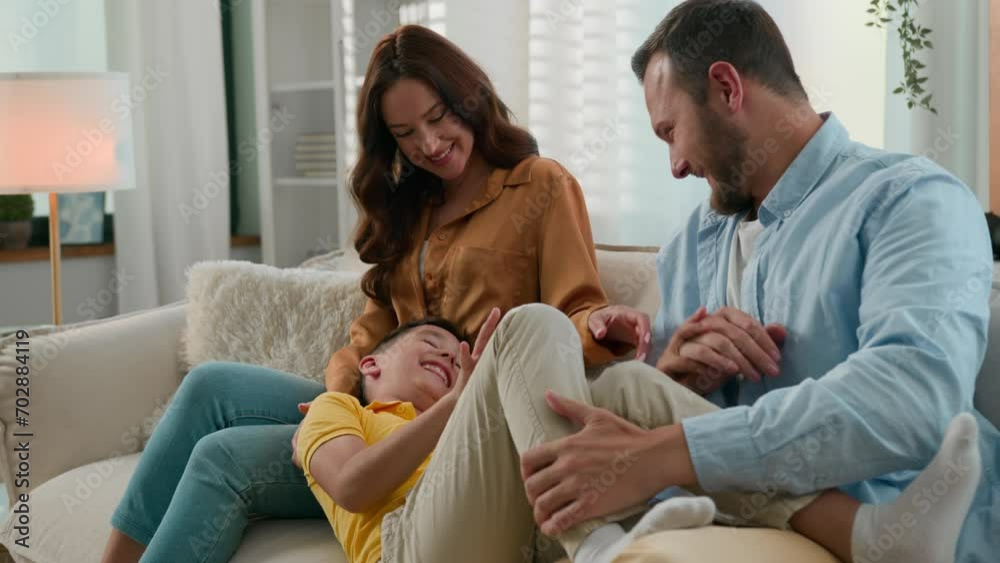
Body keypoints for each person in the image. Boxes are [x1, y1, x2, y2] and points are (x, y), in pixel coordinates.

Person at [100, 25, 649, 563]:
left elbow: (571, 311)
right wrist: (337, 400)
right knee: (209, 385)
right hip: (376, 404)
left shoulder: (540, 186)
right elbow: (373, 330)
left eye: (438, 118)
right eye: (406, 134)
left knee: (222, 459)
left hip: (455, 427)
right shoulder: (409, 204)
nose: (429, 144)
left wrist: (604, 328)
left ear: (470, 100)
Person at [512, 2, 998, 563]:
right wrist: (674, 378)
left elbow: (916, 398)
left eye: (671, 131)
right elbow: (645, 423)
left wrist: (676, 451)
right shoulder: (691, 243)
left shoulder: (907, 199)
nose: (674, 165)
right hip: (723, 524)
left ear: (726, 88)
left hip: (904, 517)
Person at [300, 303, 980, 563]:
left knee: (623, 386)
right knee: (531, 323)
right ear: (371, 363)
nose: (449, 354)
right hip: (411, 549)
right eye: (429, 342)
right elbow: (355, 486)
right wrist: (467, 394)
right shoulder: (337, 410)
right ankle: (600, 547)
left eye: (456, 349)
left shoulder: (475, 437)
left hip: (518, 534)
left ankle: (868, 535)